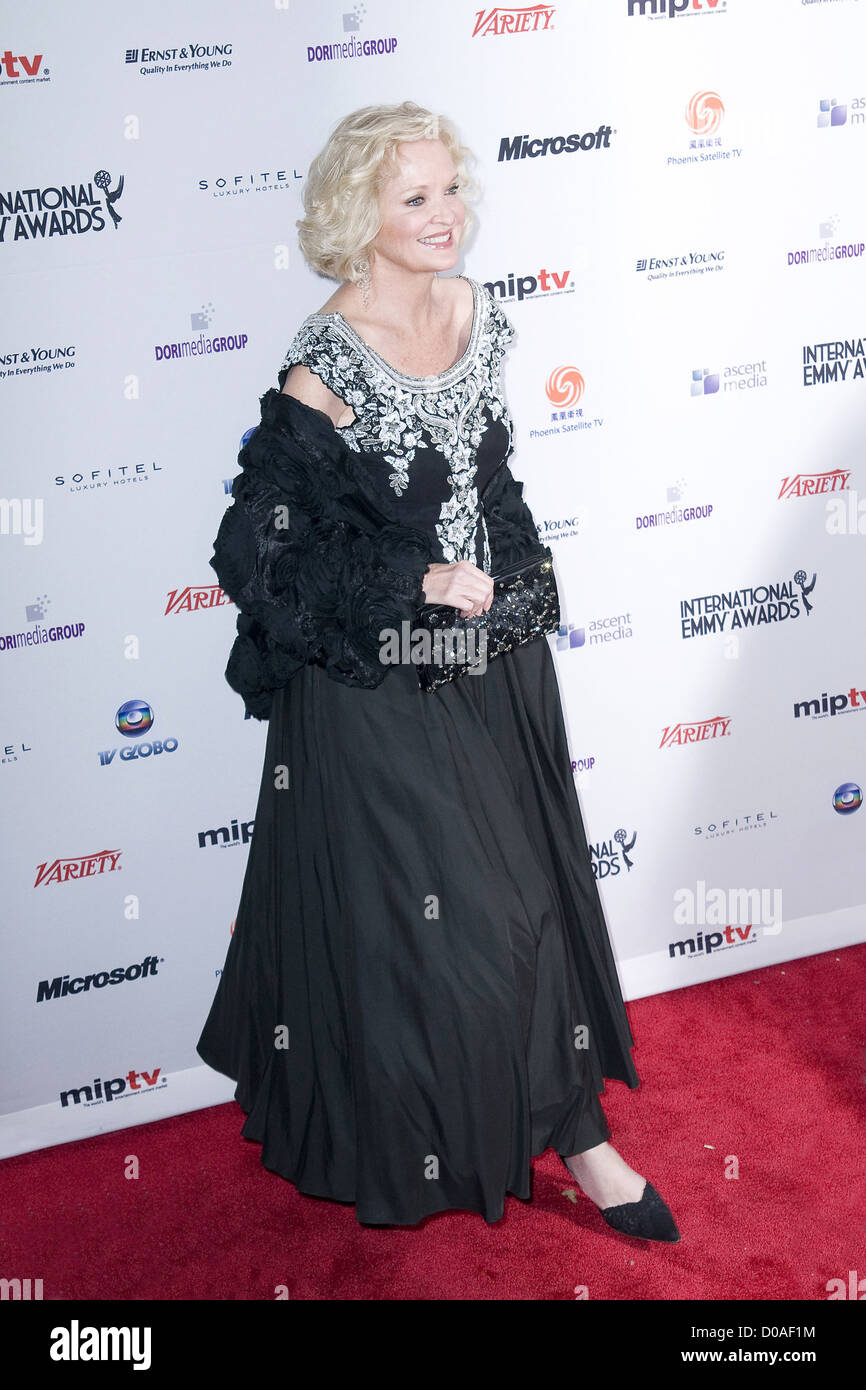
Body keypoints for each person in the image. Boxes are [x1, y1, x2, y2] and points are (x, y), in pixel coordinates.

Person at [196, 101, 679, 1241]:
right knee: (446, 926)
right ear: (356, 213)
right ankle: (449, 1131)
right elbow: (257, 547)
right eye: (411, 197)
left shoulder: (476, 310)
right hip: (372, 687)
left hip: (486, 663)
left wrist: (514, 570)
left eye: (448, 190)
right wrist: (412, 583)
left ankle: (581, 1137)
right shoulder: (324, 358)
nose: (441, 216)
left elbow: (484, 478)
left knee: (535, 901)